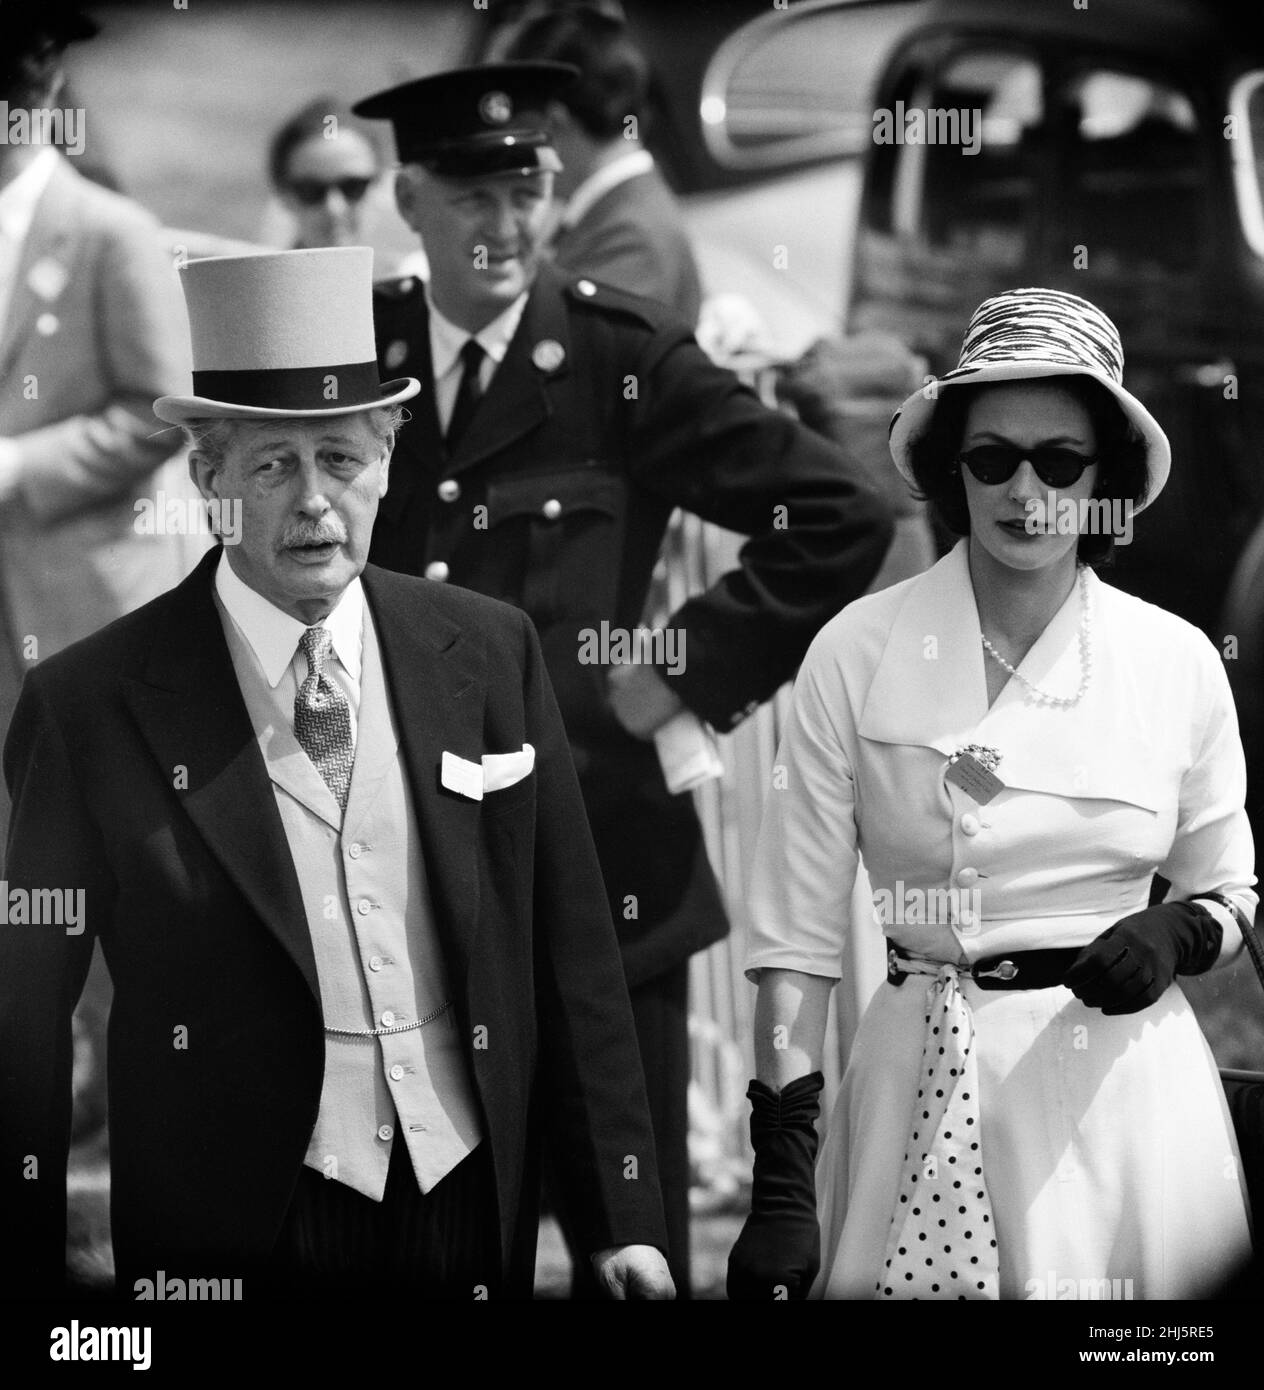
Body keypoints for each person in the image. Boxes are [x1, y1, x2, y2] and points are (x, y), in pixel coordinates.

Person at [0, 245, 673, 1301]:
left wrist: (622, 1213)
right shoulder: (87, 707)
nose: (314, 503)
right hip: (231, 1234)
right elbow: (22, 1016)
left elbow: (571, 948)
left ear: (387, 464)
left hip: (463, 1210)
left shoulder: (490, 651)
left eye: (341, 461)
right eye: (273, 467)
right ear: (207, 477)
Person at [351, 61, 895, 1296]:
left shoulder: (613, 353)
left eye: (527, 191)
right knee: (433, 1239)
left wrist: (681, 668)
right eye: (470, 196)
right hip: (400, 870)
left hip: (602, 874)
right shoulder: (359, 350)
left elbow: (836, 509)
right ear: (408, 198)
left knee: (630, 1250)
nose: (503, 227)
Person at [728, 286, 1255, 1301]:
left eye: (1059, 461)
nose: (1025, 491)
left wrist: (1176, 935)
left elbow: (1233, 891)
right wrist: (782, 1179)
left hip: (1124, 1109)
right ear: (948, 470)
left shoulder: (1173, 659)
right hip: (909, 1098)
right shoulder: (856, 650)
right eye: (991, 459)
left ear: (1102, 476)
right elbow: (791, 941)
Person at [0, 3, 196, 841]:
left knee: (110, 843)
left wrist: (17, 465)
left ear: (41, 91)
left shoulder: (111, 233)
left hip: (83, 605)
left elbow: (163, 409)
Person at [495, 5, 703, 324]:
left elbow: (559, 357)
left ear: (555, 122)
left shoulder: (629, 237)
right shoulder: (616, 214)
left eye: (519, 128)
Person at [266, 97, 386, 252]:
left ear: (380, 184)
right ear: (283, 196)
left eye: (352, 187)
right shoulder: (254, 276)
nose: (334, 208)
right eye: (311, 191)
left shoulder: (417, 269)